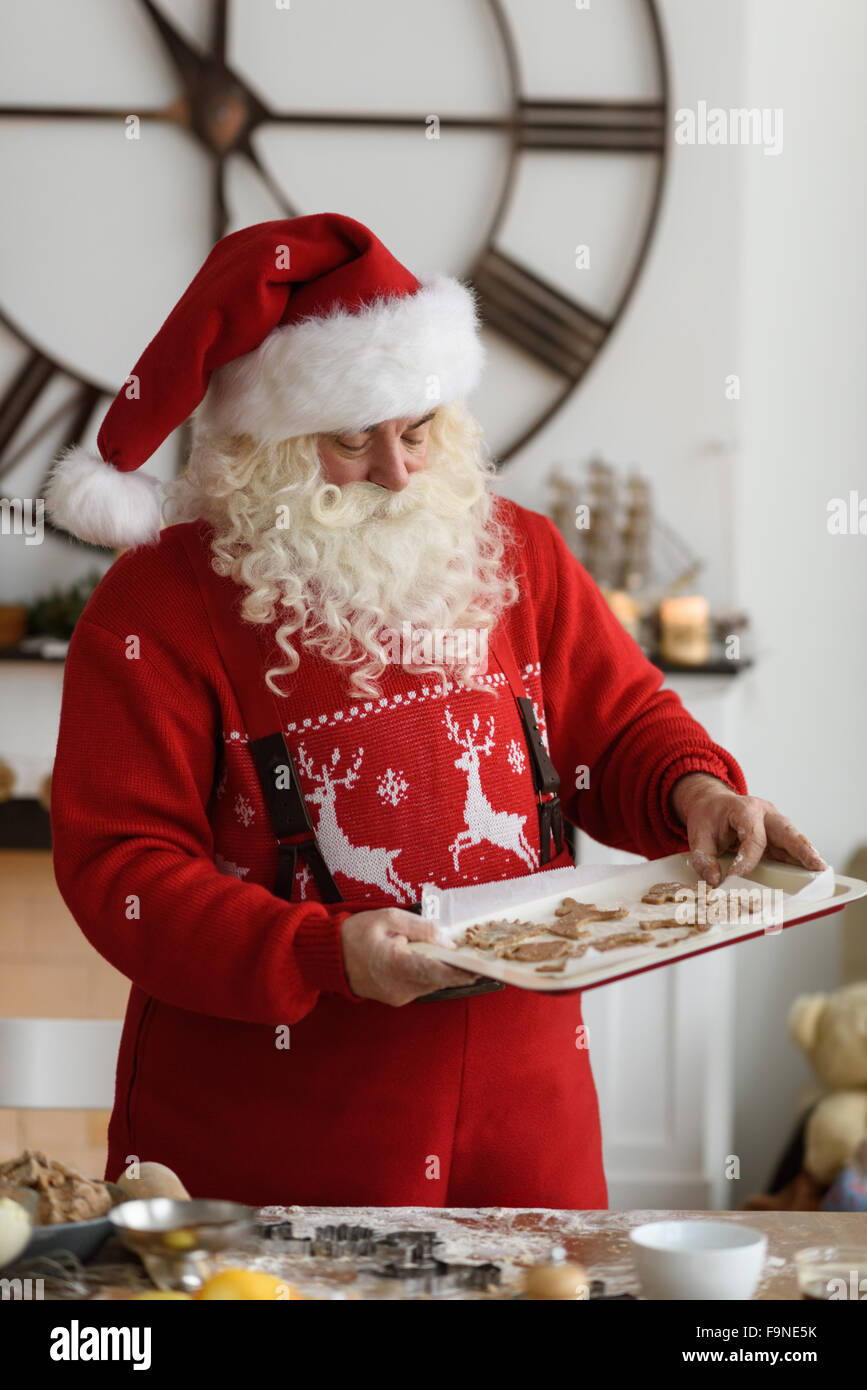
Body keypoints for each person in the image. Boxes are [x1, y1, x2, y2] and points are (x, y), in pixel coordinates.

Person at [45, 213, 825, 1208]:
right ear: (259, 446)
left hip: (527, 1117)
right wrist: (320, 953)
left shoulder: (519, 551)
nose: (399, 470)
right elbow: (122, 869)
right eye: (348, 439)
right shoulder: (152, 608)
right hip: (269, 1138)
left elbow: (622, 728)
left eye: (416, 430)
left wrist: (695, 790)